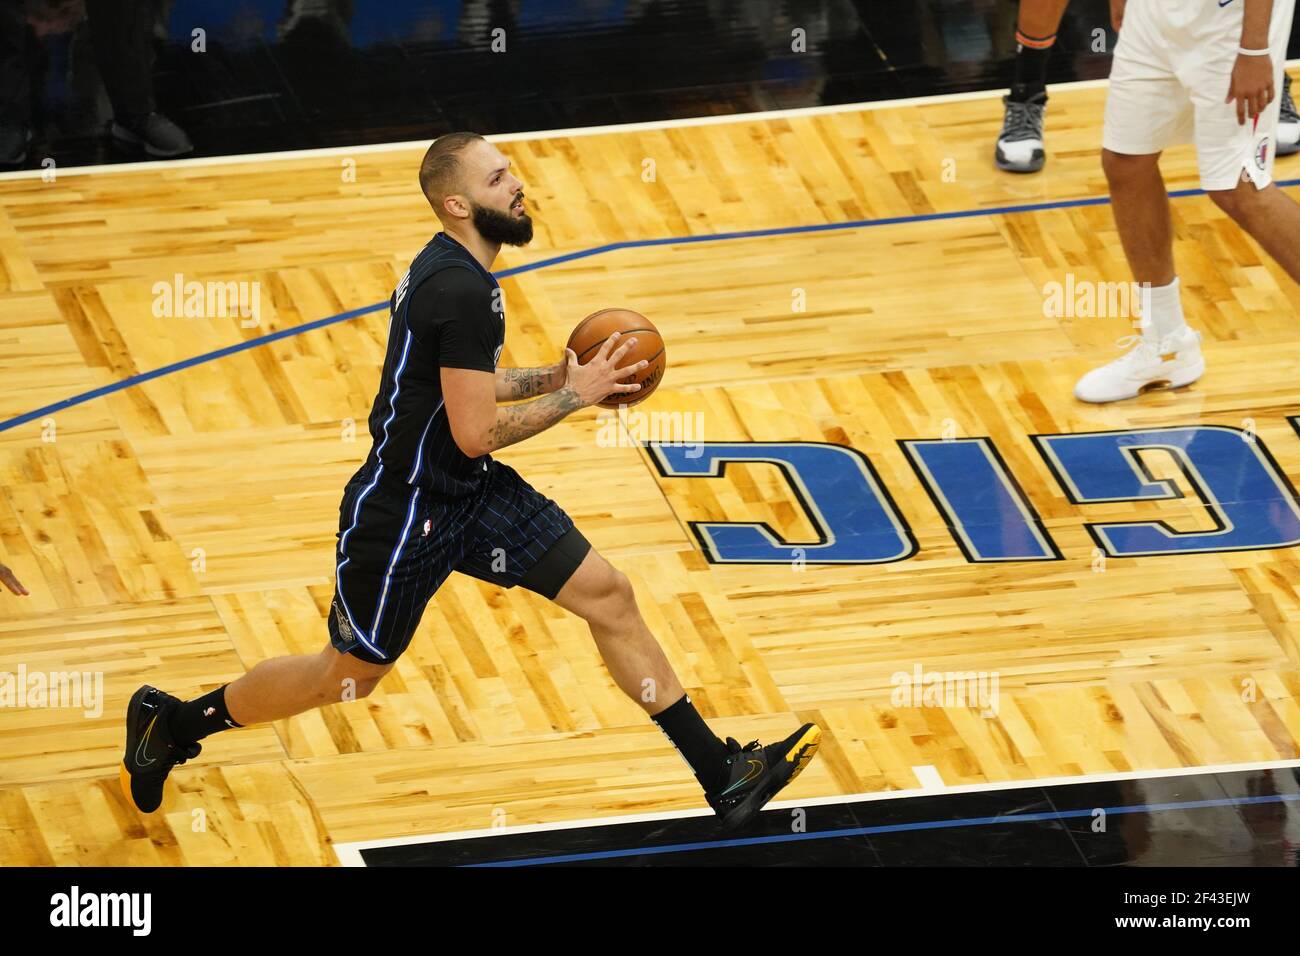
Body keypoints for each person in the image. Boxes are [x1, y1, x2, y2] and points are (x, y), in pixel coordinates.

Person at [120, 131, 821, 830]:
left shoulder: (452, 270)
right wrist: (576, 397)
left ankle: (721, 773)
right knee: (345, 679)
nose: (515, 184)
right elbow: (475, 429)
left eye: (508, 171)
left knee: (608, 594)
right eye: (495, 180)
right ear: (456, 204)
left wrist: (560, 376)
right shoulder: (461, 289)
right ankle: (175, 724)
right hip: (404, 514)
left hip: (470, 493)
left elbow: (469, 394)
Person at [1076, 0, 1298, 402]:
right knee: (1127, 161)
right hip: (1153, 12)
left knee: (1240, 187)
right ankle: (1167, 344)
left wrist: (1253, 48)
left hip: (1230, 21)